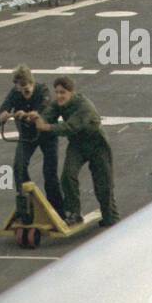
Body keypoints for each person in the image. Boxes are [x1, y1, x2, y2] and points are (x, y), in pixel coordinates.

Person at [33, 76, 119, 227]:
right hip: (77, 145)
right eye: (57, 92)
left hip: (97, 144)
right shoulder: (60, 103)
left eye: (63, 92)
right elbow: (49, 114)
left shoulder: (84, 106)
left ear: (71, 92)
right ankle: (74, 213)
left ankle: (110, 216)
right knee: (67, 176)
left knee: (103, 183)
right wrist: (35, 118)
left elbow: (70, 127)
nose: (59, 96)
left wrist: (47, 127)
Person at [0, 65, 65, 215]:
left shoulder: (43, 91)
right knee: (19, 167)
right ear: (17, 87)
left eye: (28, 88)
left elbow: (43, 110)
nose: (26, 92)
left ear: (32, 83)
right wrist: (2, 116)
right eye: (22, 89)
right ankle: (27, 205)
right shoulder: (14, 93)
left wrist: (27, 115)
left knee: (50, 174)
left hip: (47, 135)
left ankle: (59, 211)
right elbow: (1, 111)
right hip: (27, 136)